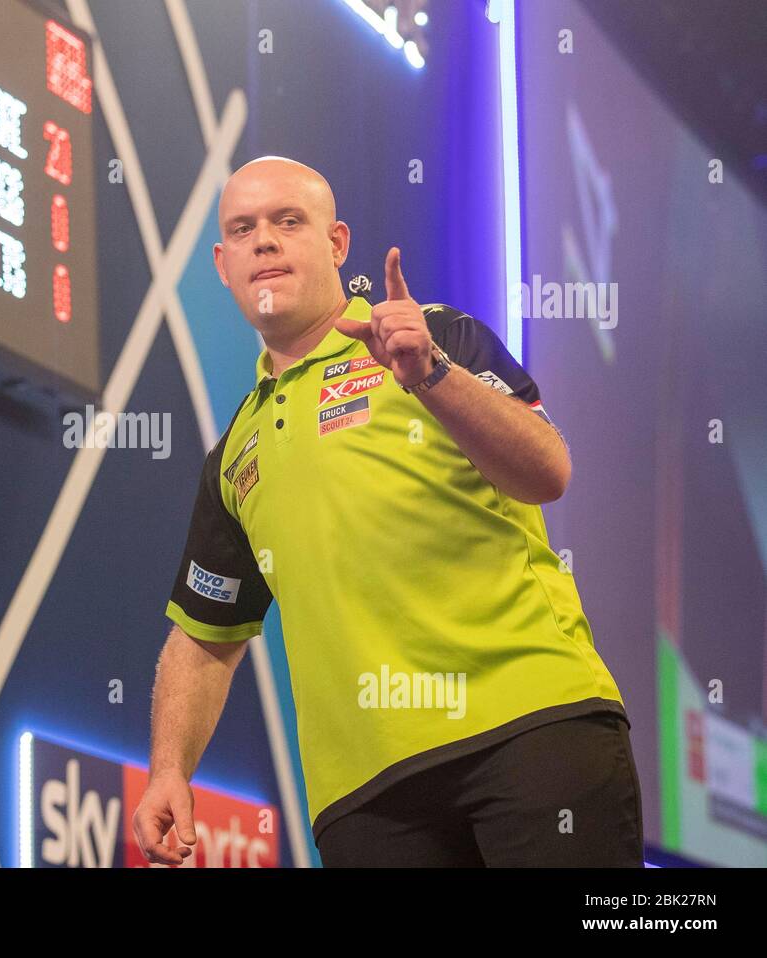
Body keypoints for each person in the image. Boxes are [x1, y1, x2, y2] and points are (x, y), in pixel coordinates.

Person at [133, 156, 642, 867]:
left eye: (288, 221)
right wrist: (168, 770)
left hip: (527, 727)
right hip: (366, 798)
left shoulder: (435, 337)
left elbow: (548, 470)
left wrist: (430, 374)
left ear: (338, 244)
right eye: (243, 230)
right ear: (222, 264)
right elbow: (203, 637)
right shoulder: (232, 457)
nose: (265, 242)